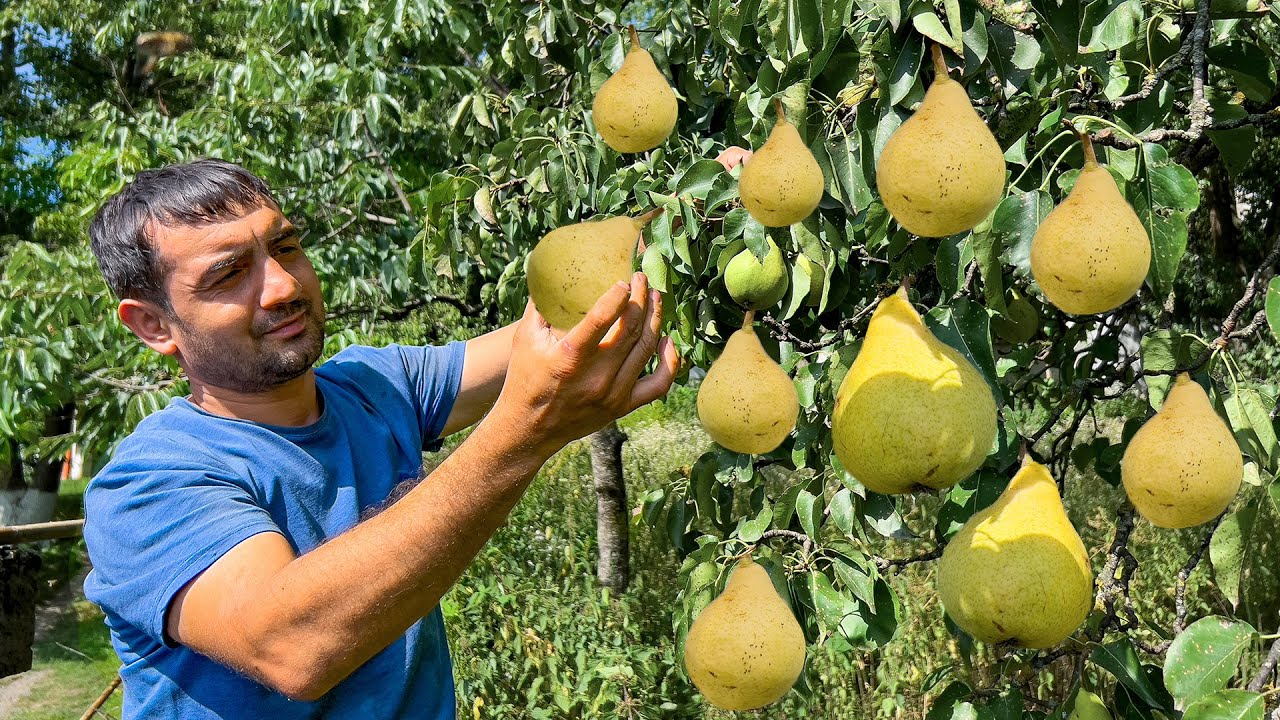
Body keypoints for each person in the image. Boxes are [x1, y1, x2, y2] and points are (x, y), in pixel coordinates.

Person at [81, 158, 680, 718]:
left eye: (287, 247)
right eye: (229, 274)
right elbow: (292, 646)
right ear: (153, 324)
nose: (284, 286)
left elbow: (561, 327)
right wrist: (525, 433)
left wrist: (696, 210)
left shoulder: (372, 386)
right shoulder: (149, 482)